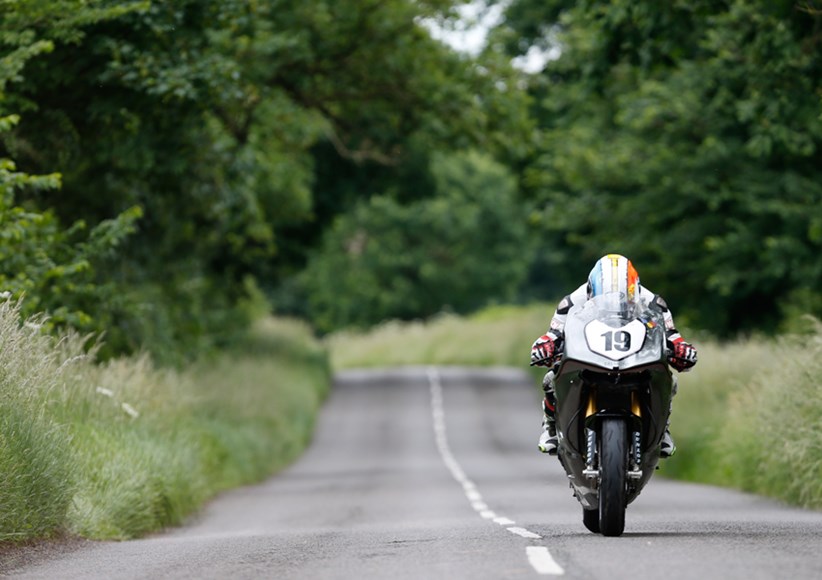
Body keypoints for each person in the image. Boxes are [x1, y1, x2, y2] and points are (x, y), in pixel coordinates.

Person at [529, 254, 697, 457]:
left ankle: (663, 429)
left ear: (634, 288)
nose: (615, 300)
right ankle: (551, 428)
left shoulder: (653, 302)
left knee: (669, 380)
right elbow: (554, 332)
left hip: (635, 357)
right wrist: (544, 345)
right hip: (591, 355)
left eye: (624, 295)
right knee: (551, 378)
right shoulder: (571, 301)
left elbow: (671, 334)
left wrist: (681, 348)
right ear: (591, 289)